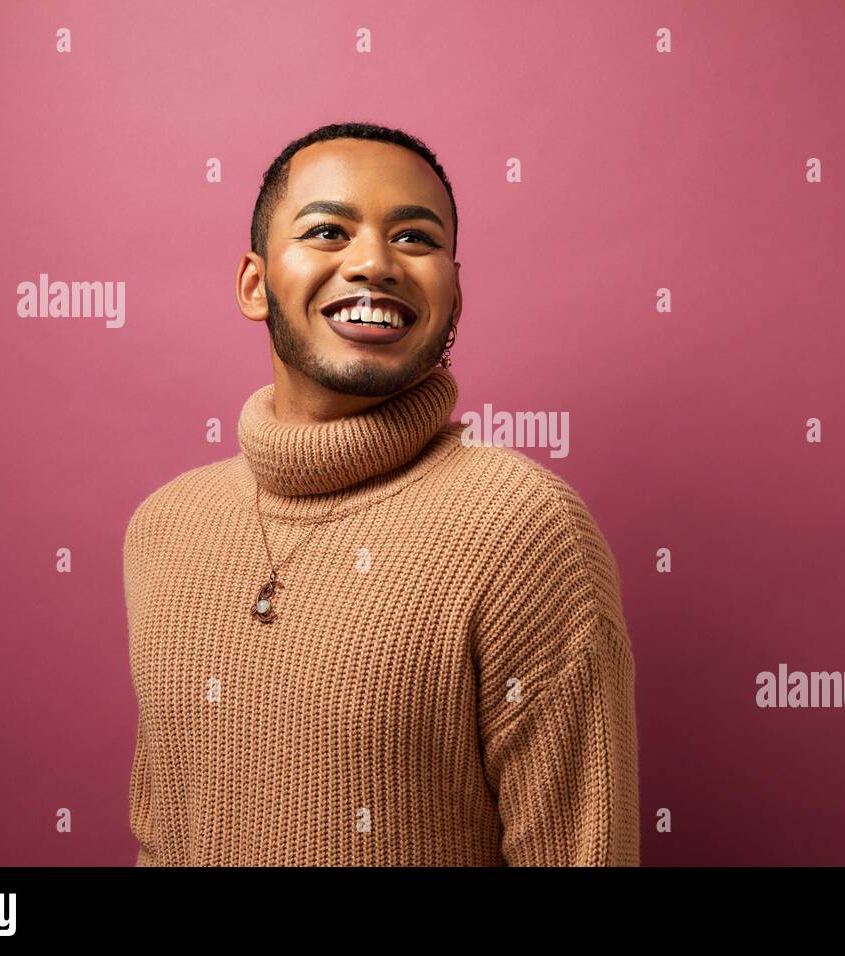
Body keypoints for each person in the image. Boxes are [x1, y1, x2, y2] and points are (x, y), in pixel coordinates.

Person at [122, 121, 639, 866]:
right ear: (255, 284)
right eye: (328, 229)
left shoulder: (527, 529)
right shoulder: (164, 527)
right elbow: (165, 837)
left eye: (417, 239)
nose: (374, 263)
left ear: (454, 299)